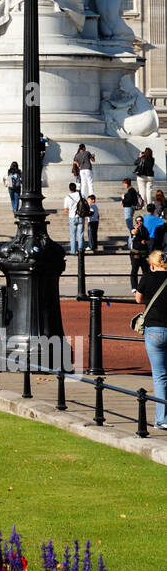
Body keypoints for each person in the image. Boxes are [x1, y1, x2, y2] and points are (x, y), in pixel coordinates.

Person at [134, 248, 167, 430]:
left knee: (160, 376)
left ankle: (162, 419)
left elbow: (138, 299)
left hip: (155, 329)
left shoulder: (148, 276)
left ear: (153, 265)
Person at [130, 215, 151, 294]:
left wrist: (145, 242)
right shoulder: (133, 229)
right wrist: (136, 228)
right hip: (135, 254)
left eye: (140, 221)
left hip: (144, 254)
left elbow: (149, 240)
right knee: (134, 271)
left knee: (145, 271)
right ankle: (134, 287)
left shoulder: (145, 230)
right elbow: (133, 232)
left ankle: (144, 286)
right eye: (137, 221)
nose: (139, 222)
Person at [63, 182, 86, 254]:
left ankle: (73, 251)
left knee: (73, 235)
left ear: (69, 189)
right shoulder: (81, 195)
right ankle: (81, 250)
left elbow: (66, 210)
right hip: (81, 216)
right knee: (81, 234)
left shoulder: (67, 197)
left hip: (72, 217)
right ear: (75, 188)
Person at [120, 178, 141, 246]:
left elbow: (129, 200)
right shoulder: (132, 190)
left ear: (126, 183)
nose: (124, 185)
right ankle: (130, 242)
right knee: (130, 225)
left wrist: (123, 199)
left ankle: (132, 241)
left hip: (128, 208)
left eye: (124, 184)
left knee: (130, 225)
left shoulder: (131, 190)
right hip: (130, 208)